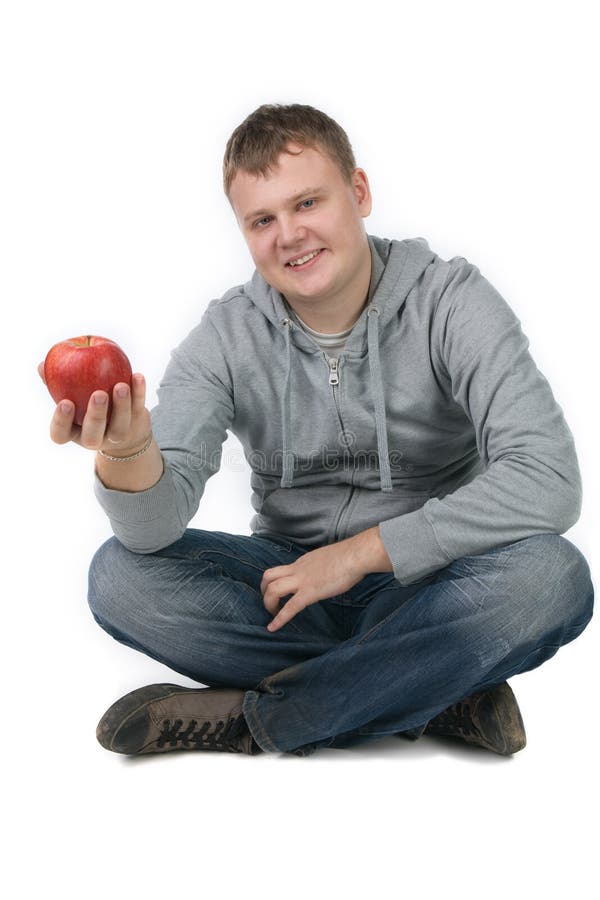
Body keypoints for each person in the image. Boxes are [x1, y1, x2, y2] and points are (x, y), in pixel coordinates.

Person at [40, 103, 594, 758]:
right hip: (289, 589)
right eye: (263, 220)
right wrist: (127, 451)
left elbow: (550, 481)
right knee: (117, 578)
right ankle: (435, 684)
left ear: (358, 193)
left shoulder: (452, 302)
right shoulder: (225, 336)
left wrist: (360, 553)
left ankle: (263, 720)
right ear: (244, 232)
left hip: (433, 582)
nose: (289, 235)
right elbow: (151, 530)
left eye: (308, 203)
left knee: (550, 577)